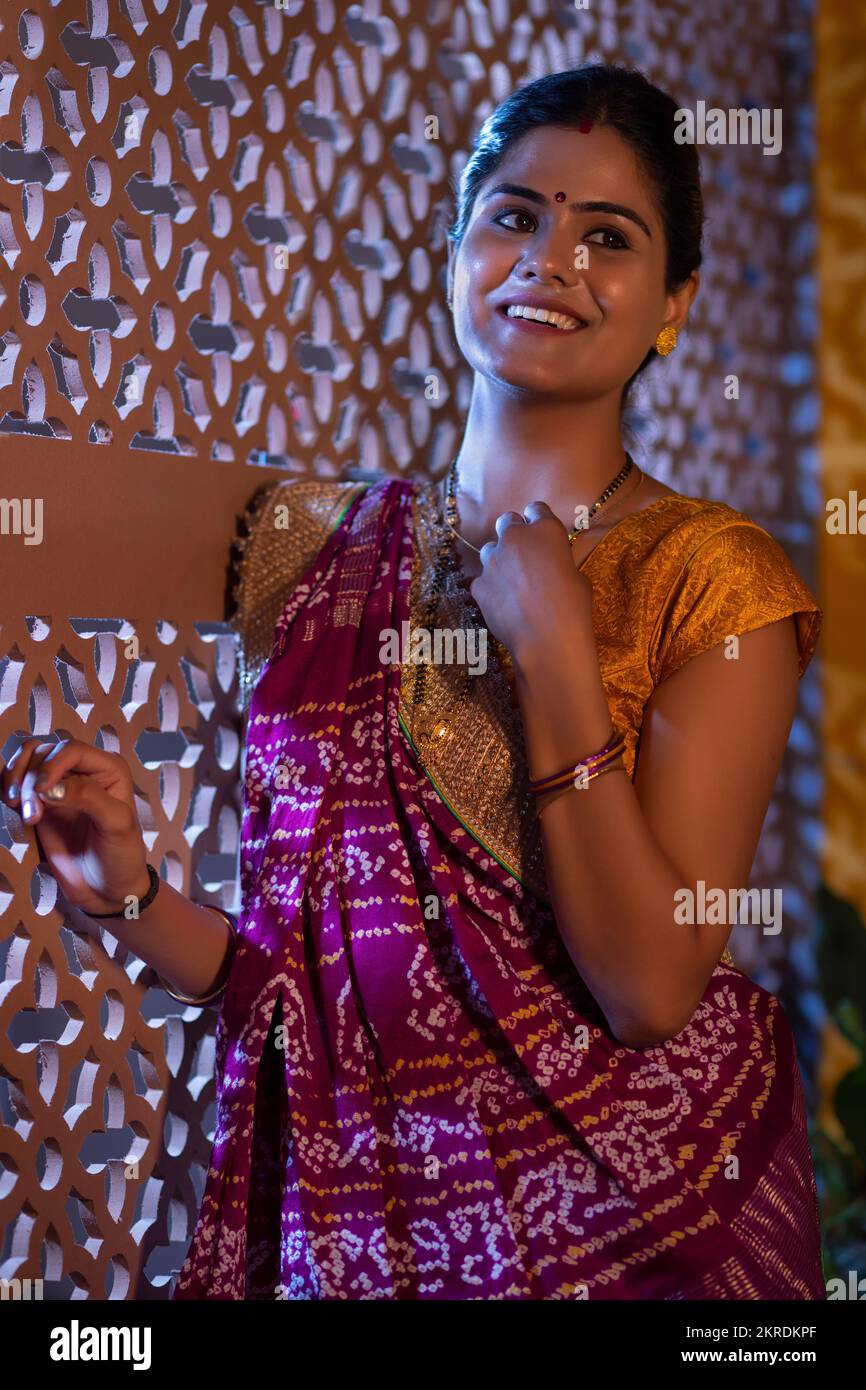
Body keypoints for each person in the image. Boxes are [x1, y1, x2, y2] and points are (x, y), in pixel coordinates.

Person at [2, 64, 825, 1300]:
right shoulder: (310, 552)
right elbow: (299, 996)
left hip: (624, 1237)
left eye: (607, 236)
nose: (550, 258)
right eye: (512, 214)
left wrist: (552, 656)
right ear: (453, 254)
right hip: (353, 1235)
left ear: (672, 304)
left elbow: (651, 987)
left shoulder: (709, 578)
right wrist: (127, 897)